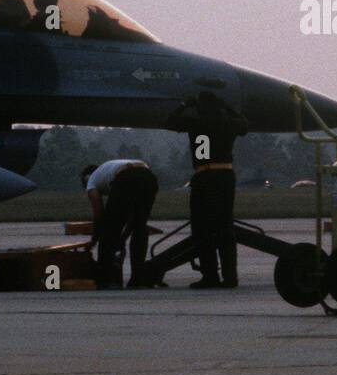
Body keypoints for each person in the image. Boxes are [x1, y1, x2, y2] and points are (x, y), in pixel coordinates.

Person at [166, 91, 249, 288]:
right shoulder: (229, 123)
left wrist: (185, 103)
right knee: (225, 227)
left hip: (205, 175)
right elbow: (245, 125)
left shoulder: (198, 124)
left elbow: (170, 122)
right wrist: (229, 106)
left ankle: (210, 275)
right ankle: (230, 277)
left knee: (202, 229)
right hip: (226, 175)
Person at [81, 159, 160, 288]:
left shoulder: (91, 180)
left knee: (108, 231)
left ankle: (105, 280)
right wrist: (122, 238)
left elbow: (99, 214)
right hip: (149, 177)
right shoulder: (108, 169)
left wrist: (94, 240)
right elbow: (132, 219)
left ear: (85, 178)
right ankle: (137, 279)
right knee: (140, 227)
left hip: (126, 178)